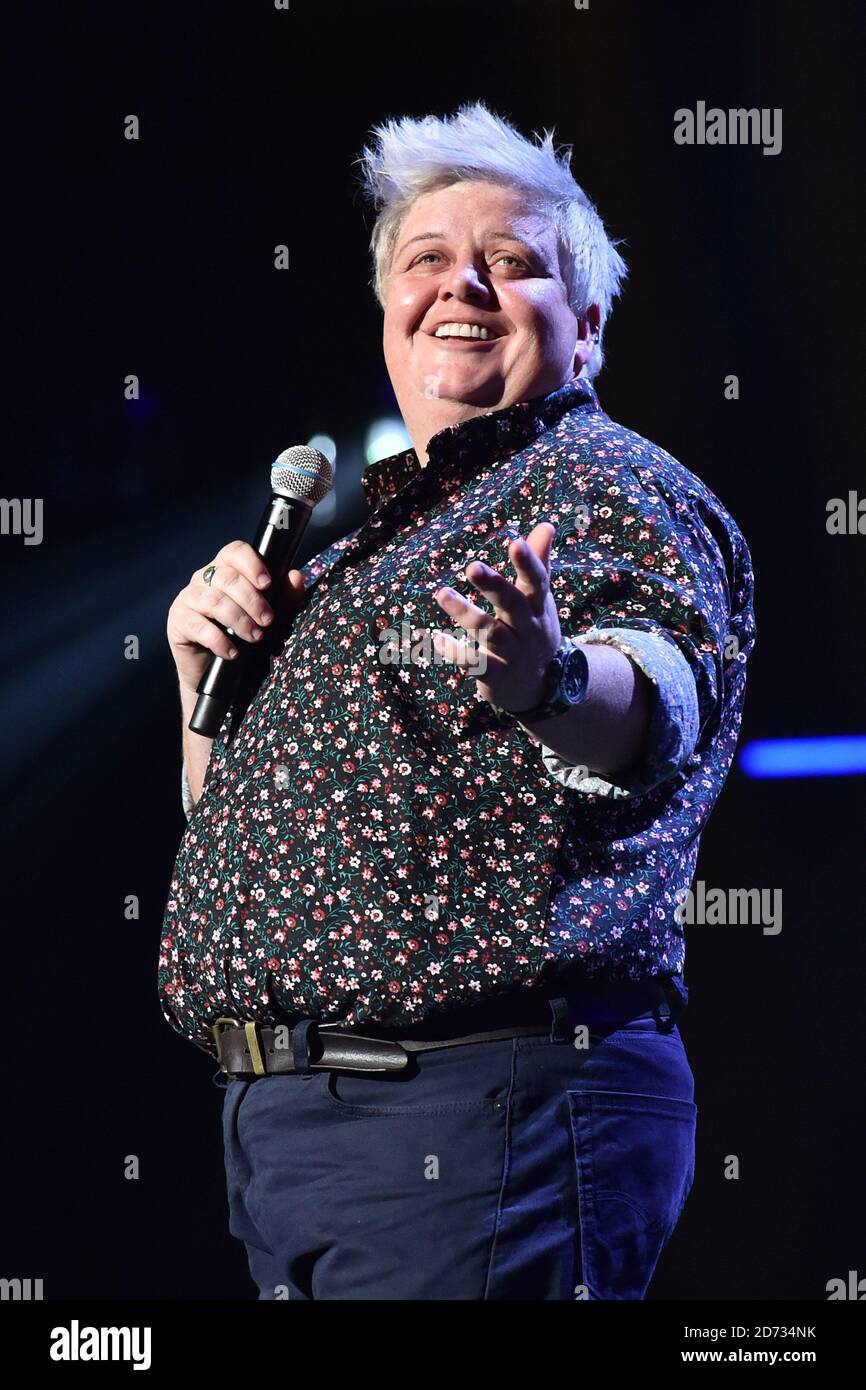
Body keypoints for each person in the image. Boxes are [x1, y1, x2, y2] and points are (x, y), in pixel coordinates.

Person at [160, 101, 755, 1300]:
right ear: (388, 313)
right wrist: (196, 688)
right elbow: (246, 825)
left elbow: (654, 703)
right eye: (427, 259)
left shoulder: (607, 486)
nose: (460, 282)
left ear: (583, 327)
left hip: (482, 1115)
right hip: (292, 1135)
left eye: (512, 261)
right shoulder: (342, 562)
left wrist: (546, 677)